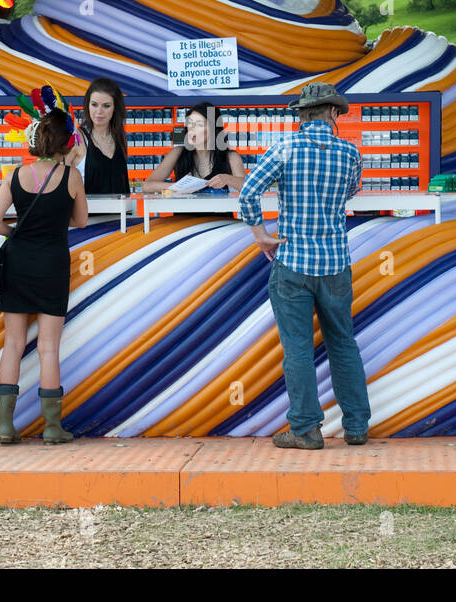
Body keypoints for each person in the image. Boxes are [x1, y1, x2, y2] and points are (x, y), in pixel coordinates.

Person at [239, 82, 370, 449]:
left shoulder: (285, 147)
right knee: (343, 343)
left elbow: (248, 192)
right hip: (335, 264)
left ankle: (306, 430)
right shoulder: (350, 153)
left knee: (297, 348)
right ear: (332, 113)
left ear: (303, 114)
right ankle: (357, 426)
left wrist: (261, 235)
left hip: (293, 262)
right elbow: (350, 193)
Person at [0, 100, 88, 444]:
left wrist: (16, 234)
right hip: (53, 265)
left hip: (17, 264)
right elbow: (81, 221)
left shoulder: (15, 175)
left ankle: (4, 426)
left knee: (12, 344)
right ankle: (52, 427)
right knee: (48, 348)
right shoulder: (71, 176)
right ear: (67, 143)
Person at [143, 102, 245, 193]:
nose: (192, 128)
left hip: (217, 214)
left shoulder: (230, 156)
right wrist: (178, 187)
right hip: (184, 213)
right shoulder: (177, 152)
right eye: (190, 123)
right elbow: (147, 186)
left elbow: (247, 187)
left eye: (199, 124)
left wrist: (228, 179)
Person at [76, 77, 130, 195]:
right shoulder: (78, 138)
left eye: (106, 106)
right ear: (87, 105)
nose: (99, 111)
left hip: (121, 212)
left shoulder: (119, 137)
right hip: (89, 212)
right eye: (94, 104)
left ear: (115, 108)